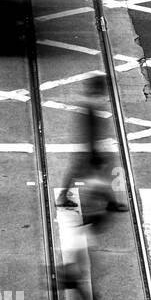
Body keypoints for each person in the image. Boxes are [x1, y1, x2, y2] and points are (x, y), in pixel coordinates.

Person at [58, 75, 127, 212]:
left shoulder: (89, 102)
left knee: (79, 172)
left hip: (86, 146)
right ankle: (111, 202)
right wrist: (94, 150)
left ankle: (110, 202)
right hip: (89, 148)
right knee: (102, 174)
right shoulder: (93, 105)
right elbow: (91, 130)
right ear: (100, 88)